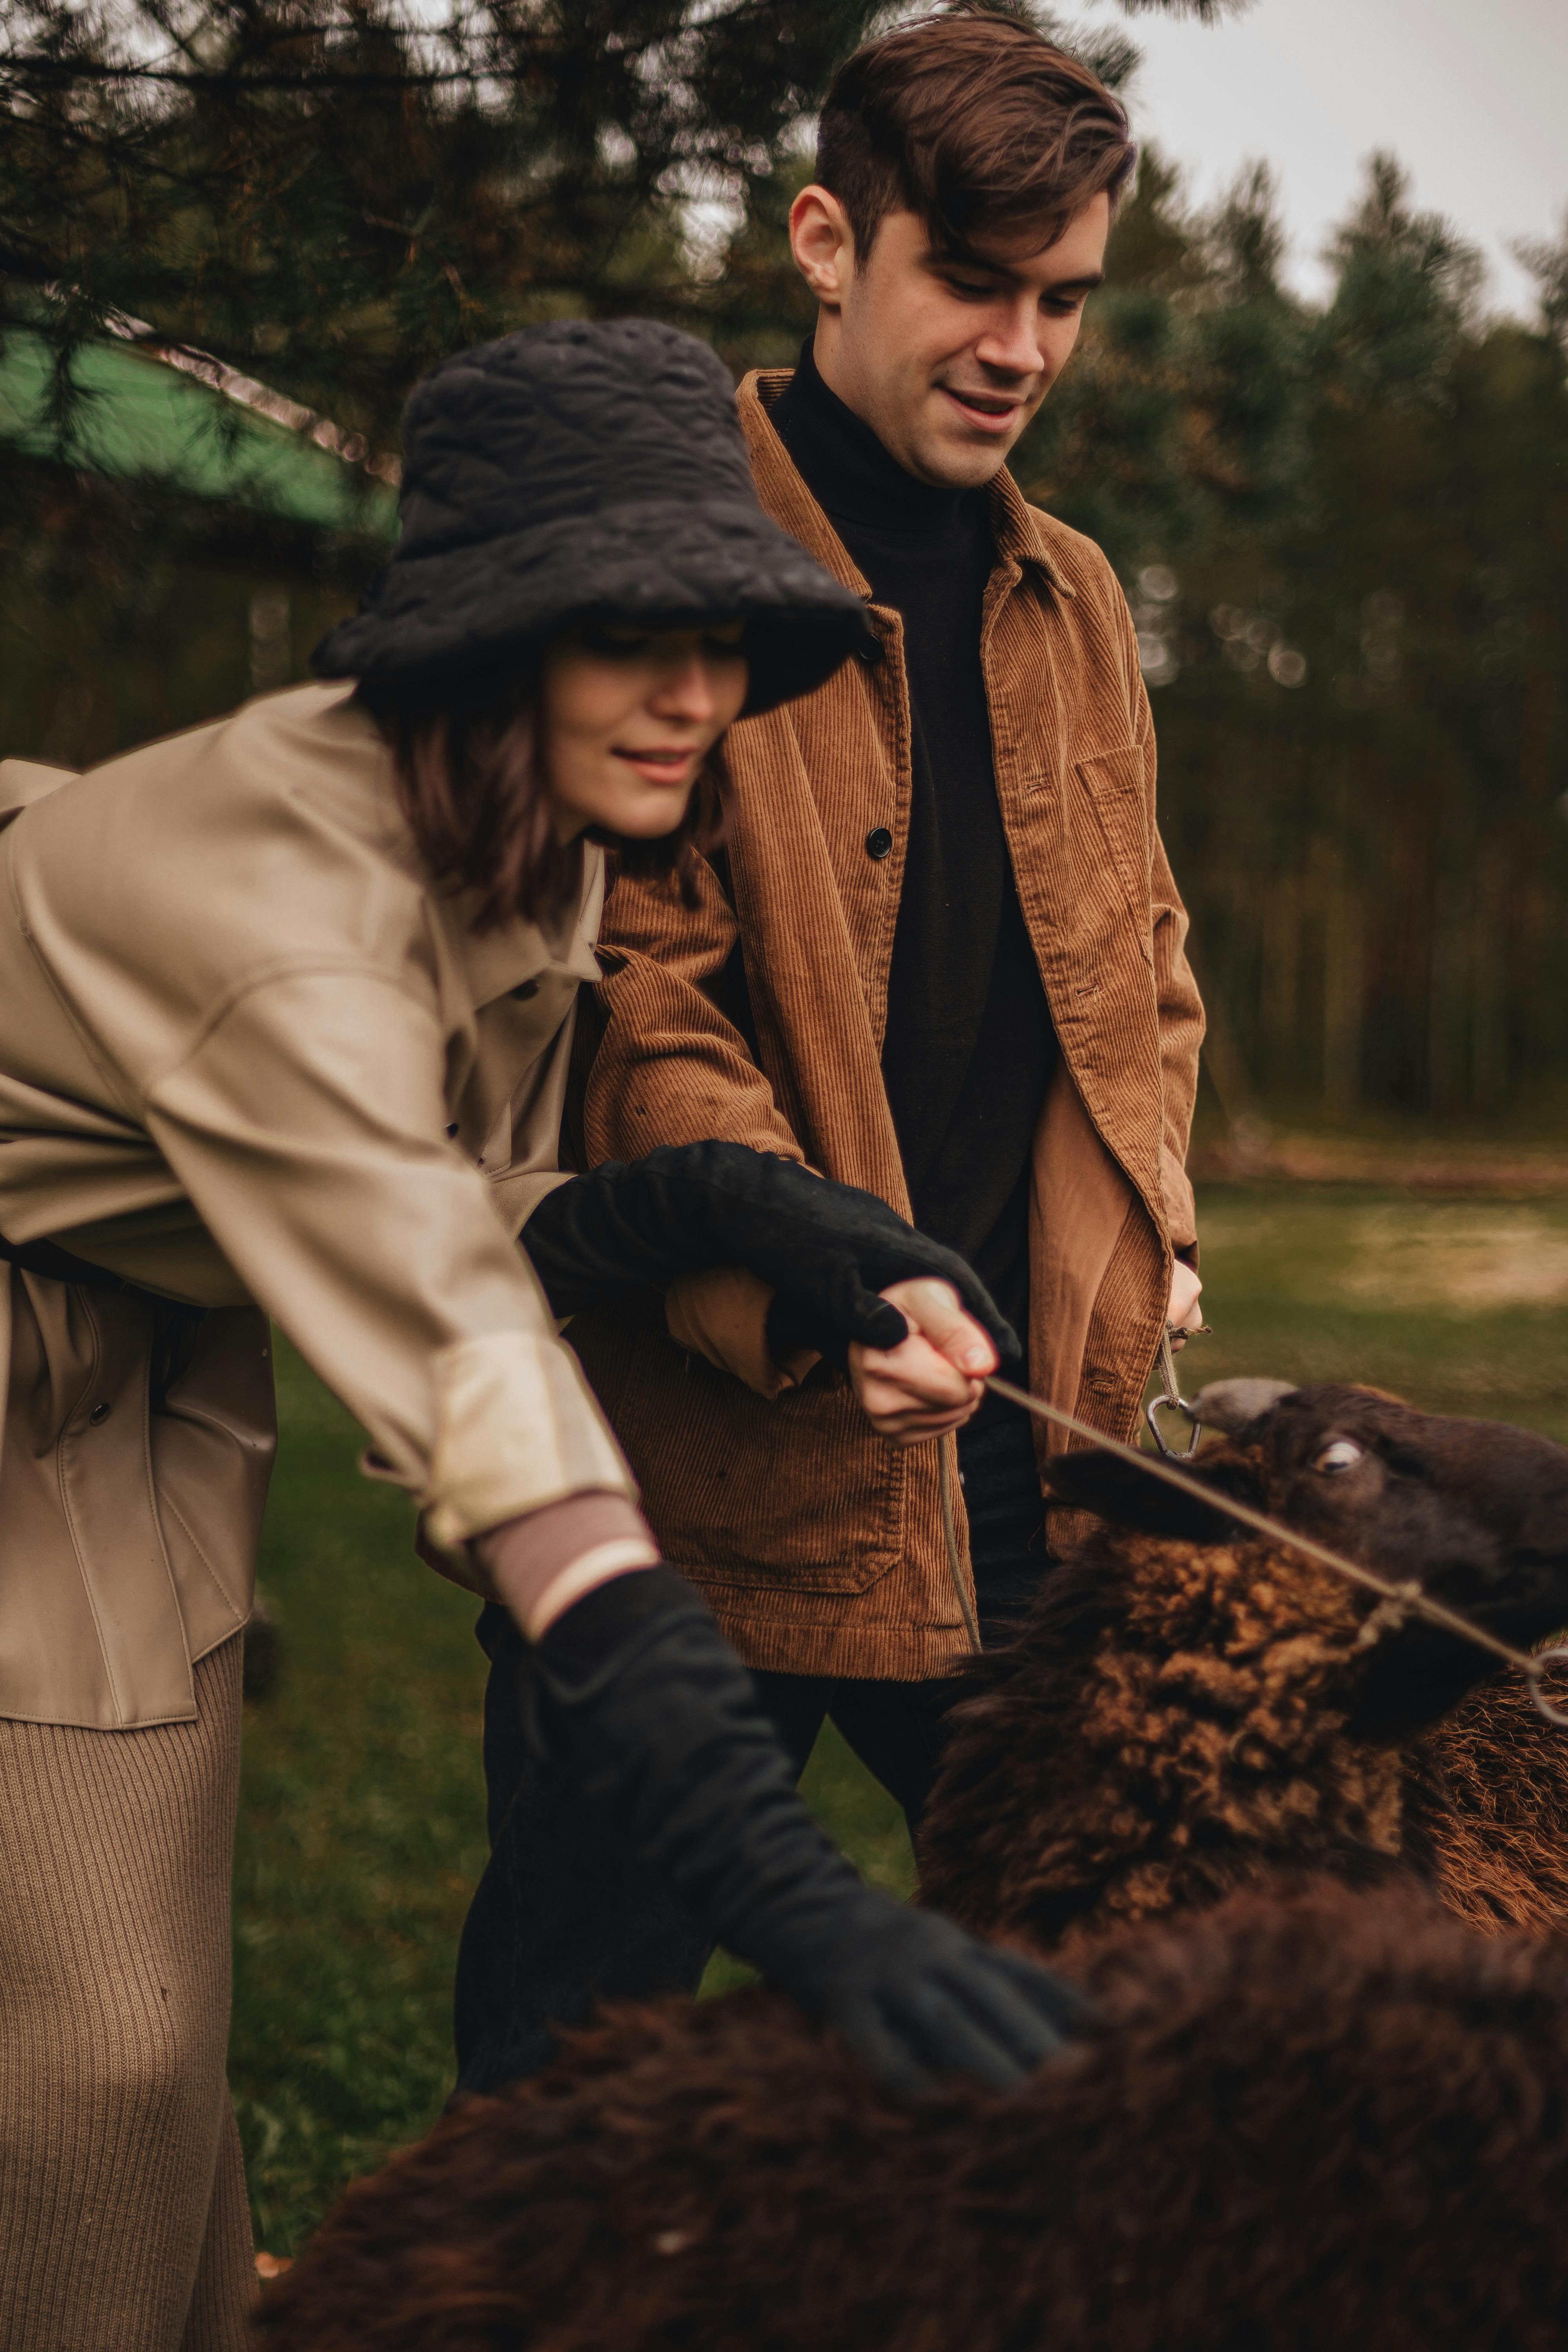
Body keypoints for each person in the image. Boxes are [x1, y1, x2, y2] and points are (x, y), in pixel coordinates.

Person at [0, 318, 1086, 2352]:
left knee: (160, 2059)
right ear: (490, 644)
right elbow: (490, 1415)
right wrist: (795, 1897)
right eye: (629, 636)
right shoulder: (276, 928)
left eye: (721, 636)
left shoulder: (515, 835)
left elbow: (449, 1200)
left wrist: (735, 1208)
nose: (697, 696)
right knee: (89, 2073)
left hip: (151, 1339)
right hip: (21, 1368)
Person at [456, 14, 1205, 2091]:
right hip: (692, 1472)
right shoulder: (662, 568)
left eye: (1065, 297)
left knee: (1084, 2045)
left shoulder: (1075, 596)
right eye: (973, 277)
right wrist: (813, 1274)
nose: (1021, 345)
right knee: (571, 2078)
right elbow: (636, 1022)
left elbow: (1144, 969)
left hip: (1018, 1468)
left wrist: (1155, 1241)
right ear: (824, 237)